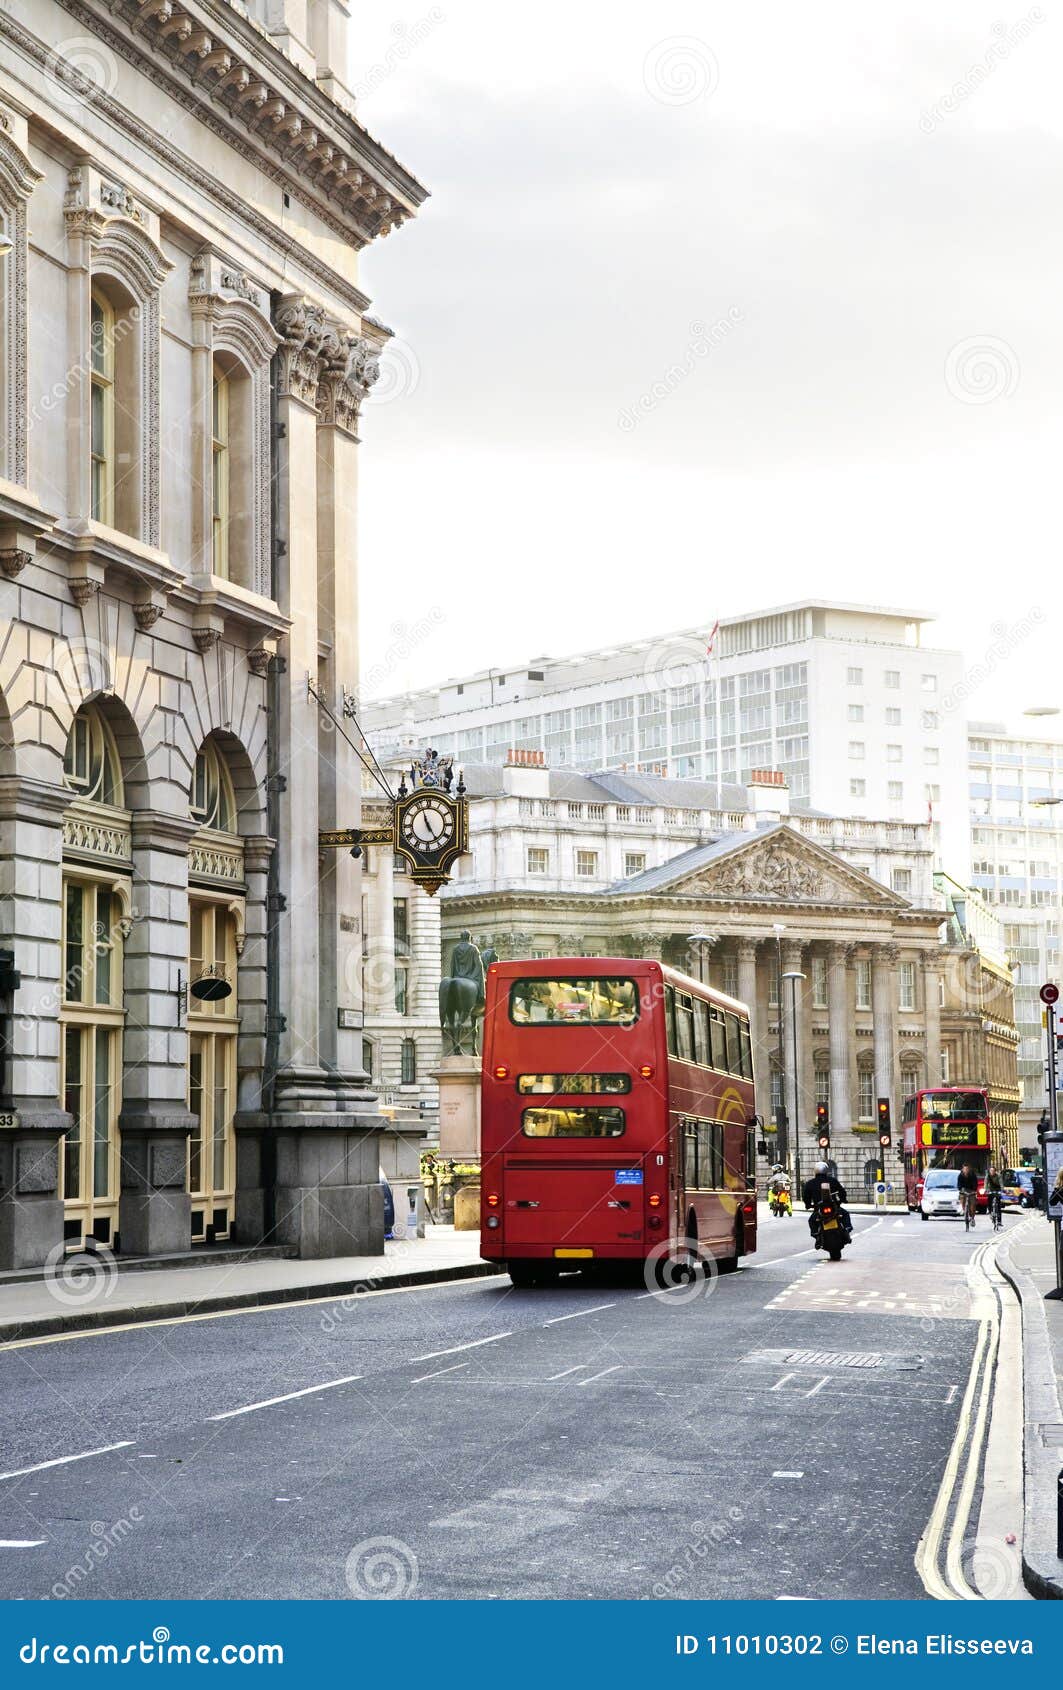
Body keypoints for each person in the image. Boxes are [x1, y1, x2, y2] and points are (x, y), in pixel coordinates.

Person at [802, 1160, 849, 1237]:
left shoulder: (810, 1183)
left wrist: (808, 1205)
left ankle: (815, 1234)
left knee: (812, 1220)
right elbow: (842, 1191)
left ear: (815, 1171)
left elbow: (806, 1196)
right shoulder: (832, 1180)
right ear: (826, 1170)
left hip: (819, 1208)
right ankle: (847, 1228)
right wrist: (843, 1199)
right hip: (833, 1206)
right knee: (845, 1214)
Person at [985, 1165, 1004, 1231]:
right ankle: (990, 1211)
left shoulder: (998, 1176)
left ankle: (999, 1221)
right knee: (989, 1200)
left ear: (995, 1171)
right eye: (991, 1171)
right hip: (991, 1190)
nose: (992, 1172)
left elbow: (1001, 1183)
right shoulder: (988, 1176)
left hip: (997, 1190)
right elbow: (986, 1183)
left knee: (998, 1205)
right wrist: (986, 1190)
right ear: (989, 1171)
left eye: (993, 1171)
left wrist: (1002, 1189)